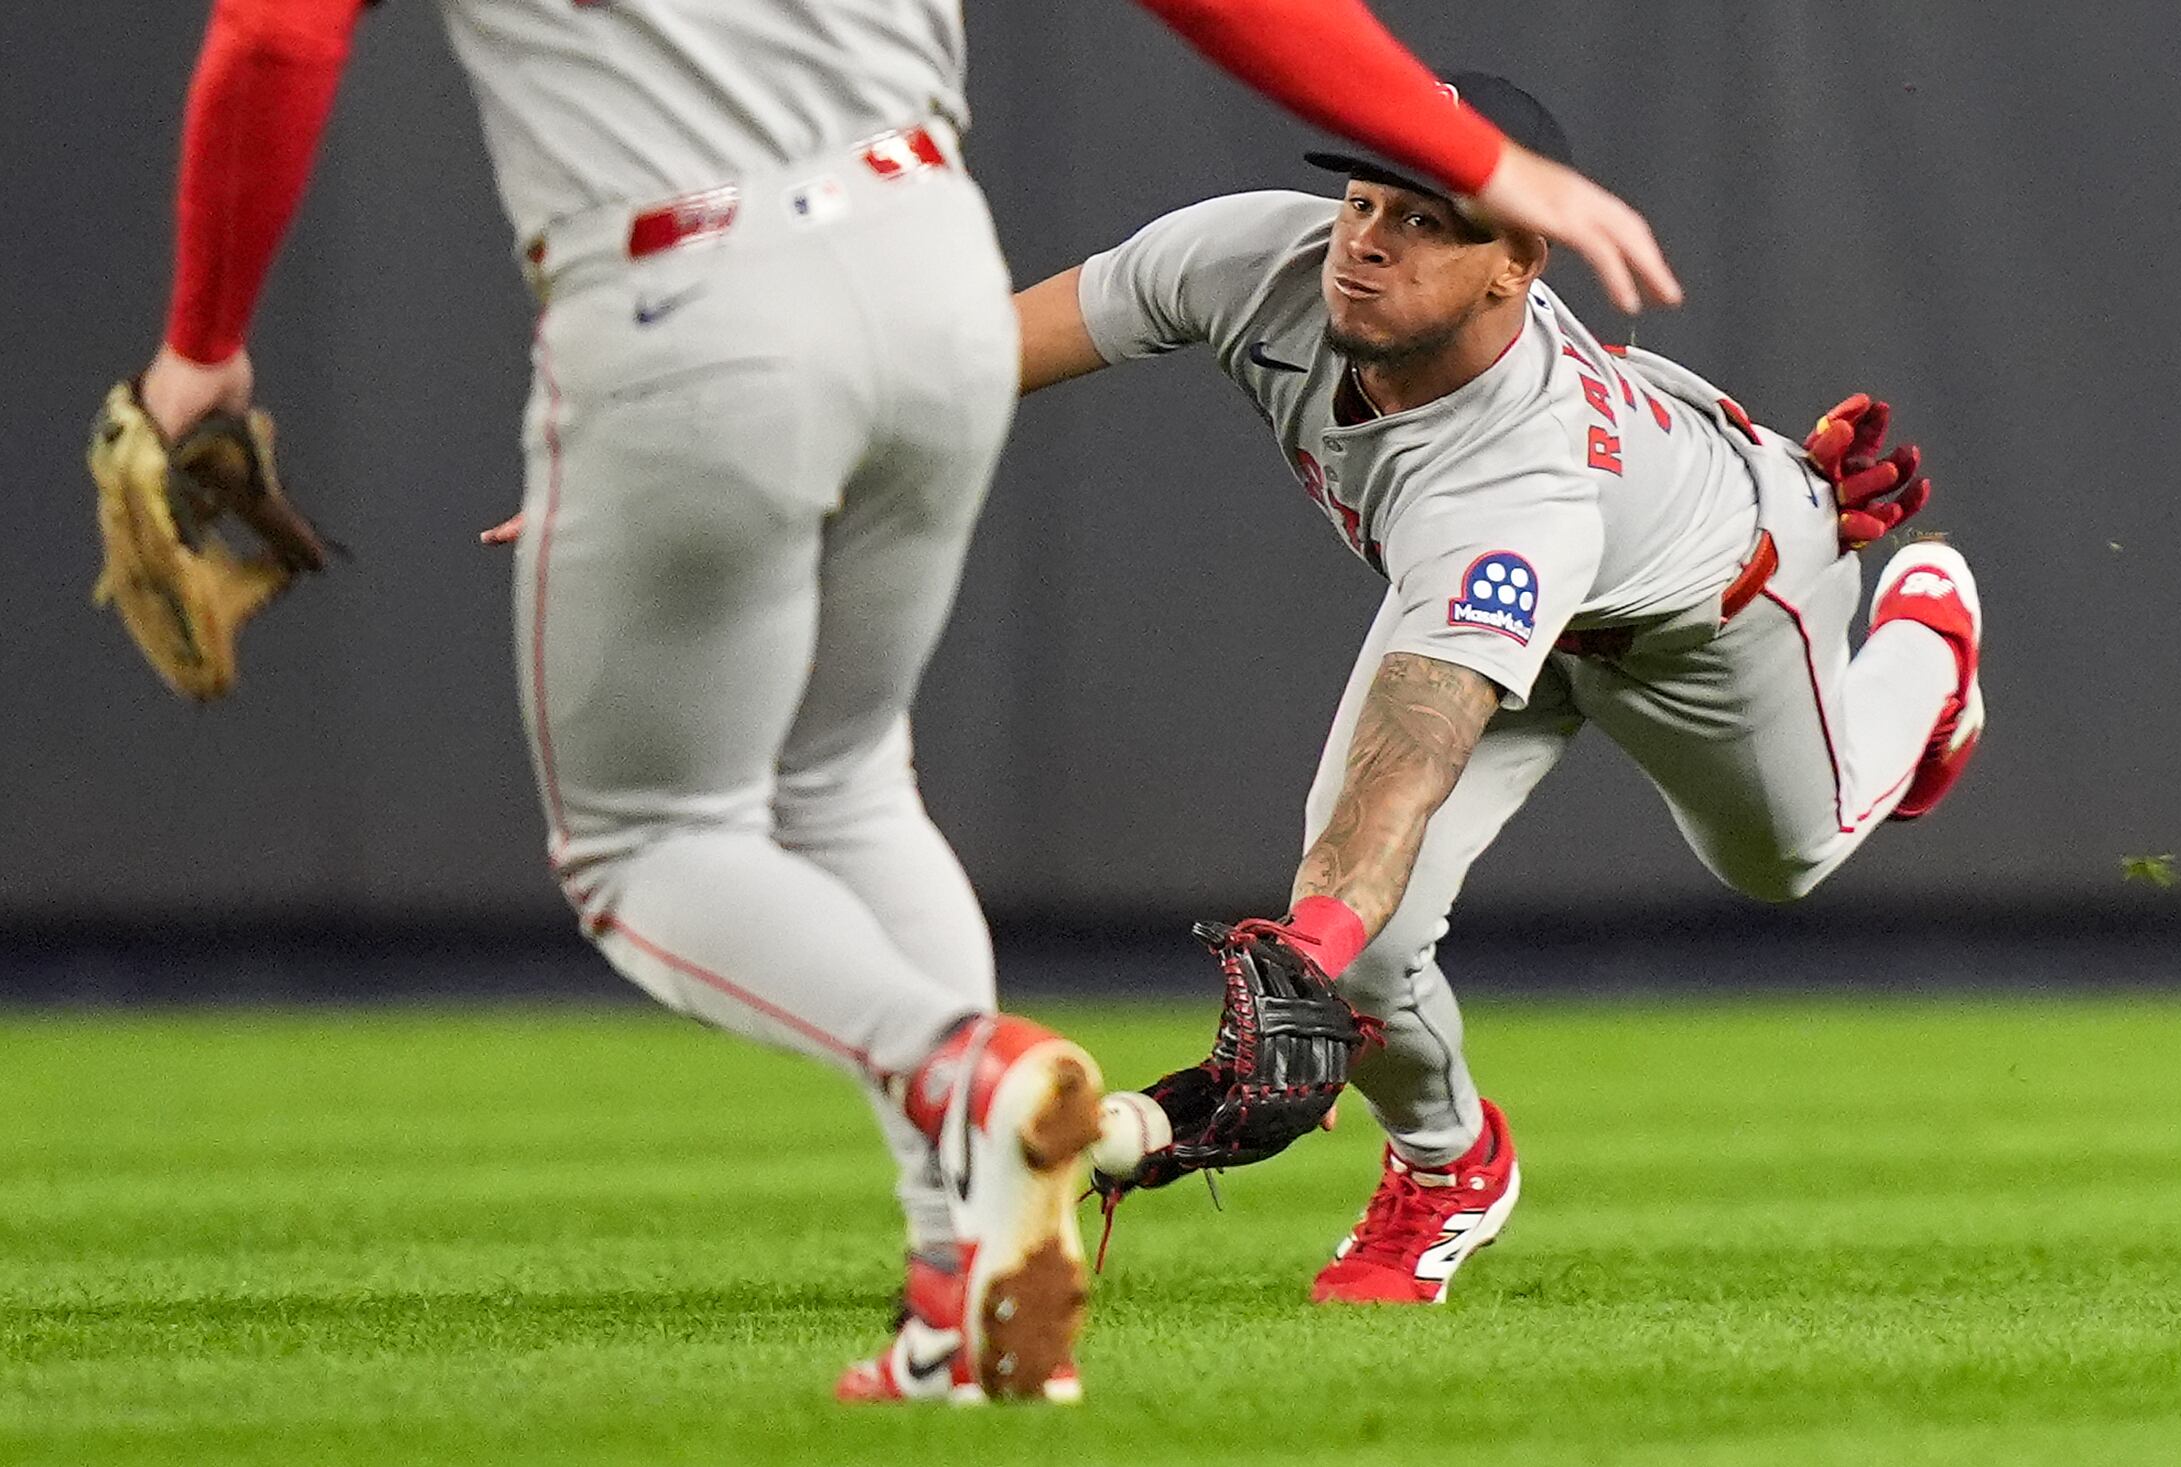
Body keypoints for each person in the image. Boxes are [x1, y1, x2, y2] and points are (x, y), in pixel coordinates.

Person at [134, 0, 1688, 1406]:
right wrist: (1472, 151)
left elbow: (275, 38)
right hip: (928, 270)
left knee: (641, 849)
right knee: (849, 786)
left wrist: (201, 347)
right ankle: (967, 1289)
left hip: (689, 293)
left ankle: (974, 1072)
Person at [1014, 73, 1979, 1305]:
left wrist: (1304, 949)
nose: (1365, 240)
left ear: (1513, 265)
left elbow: (1412, 755)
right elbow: (977, 356)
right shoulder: (1249, 262)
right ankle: (1447, 1165)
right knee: (1366, 945)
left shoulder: (1514, 490)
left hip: (1711, 613)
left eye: (1421, 219)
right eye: (1362, 198)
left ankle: (1931, 640)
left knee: (1785, 861)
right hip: (1514, 580)